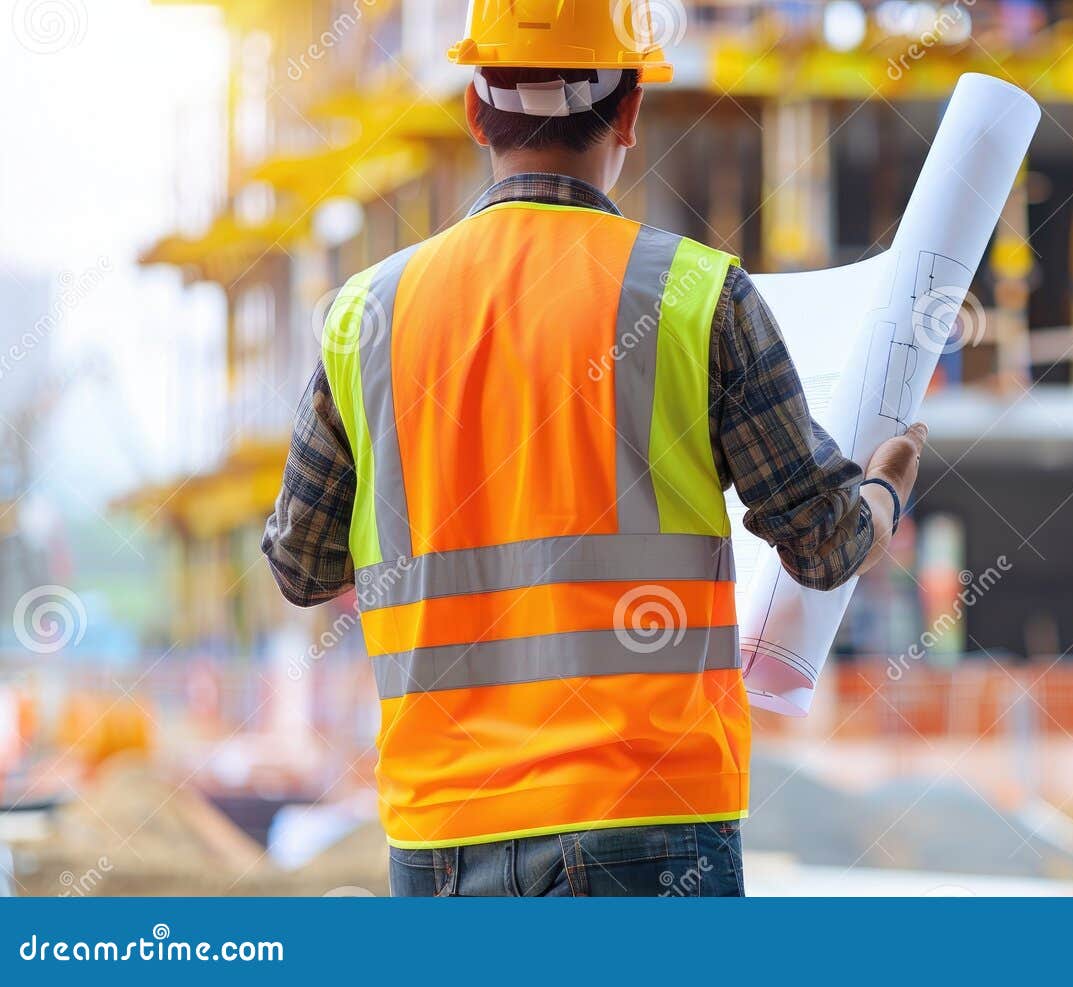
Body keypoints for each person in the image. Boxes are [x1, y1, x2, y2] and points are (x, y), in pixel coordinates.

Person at [260, 1, 925, 897]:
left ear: (473, 108)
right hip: (646, 827)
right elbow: (826, 541)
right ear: (630, 110)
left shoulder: (365, 316)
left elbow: (300, 567)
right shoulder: (695, 296)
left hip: (443, 837)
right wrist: (882, 492)